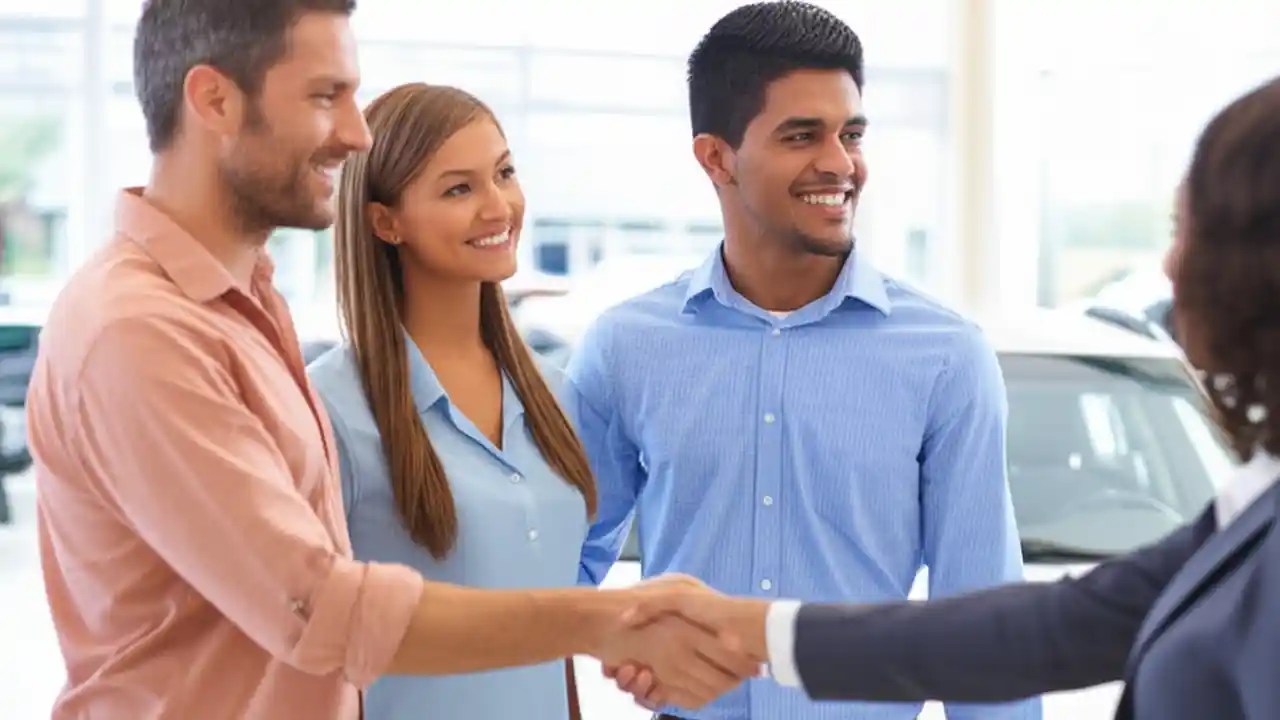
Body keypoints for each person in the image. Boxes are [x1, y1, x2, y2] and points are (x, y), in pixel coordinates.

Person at [24, 3, 756, 719]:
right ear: (214, 100)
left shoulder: (246, 310)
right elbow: (320, 609)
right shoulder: (137, 334)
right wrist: (607, 621)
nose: (354, 132)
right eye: (325, 96)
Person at [623, 75, 1280, 720]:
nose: (1168, 266)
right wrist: (753, 631)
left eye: (1191, 229)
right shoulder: (1254, 506)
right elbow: (1046, 629)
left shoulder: (948, 355)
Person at [567, 3, 1041, 718]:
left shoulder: (946, 358)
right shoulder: (625, 348)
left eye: (850, 133)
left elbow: (977, 621)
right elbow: (557, 567)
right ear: (715, 156)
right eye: (801, 135)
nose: (840, 163)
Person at [305, 81, 614, 719]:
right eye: (459, 188)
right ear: (384, 221)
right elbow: (311, 653)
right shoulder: (329, 410)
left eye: (504, 173)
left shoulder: (555, 395)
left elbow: (554, 637)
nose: (499, 206)